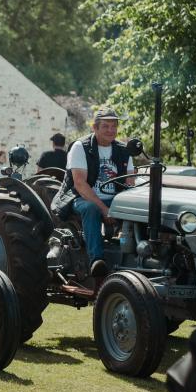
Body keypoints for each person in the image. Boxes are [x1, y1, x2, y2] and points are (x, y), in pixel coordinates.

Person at [51, 107, 134, 276]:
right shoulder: (81, 147)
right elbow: (80, 184)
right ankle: (96, 260)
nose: (111, 130)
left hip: (114, 199)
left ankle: (133, 255)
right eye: (105, 126)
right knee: (91, 208)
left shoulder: (124, 150)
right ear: (94, 128)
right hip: (81, 197)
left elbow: (130, 182)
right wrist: (105, 209)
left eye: (114, 126)